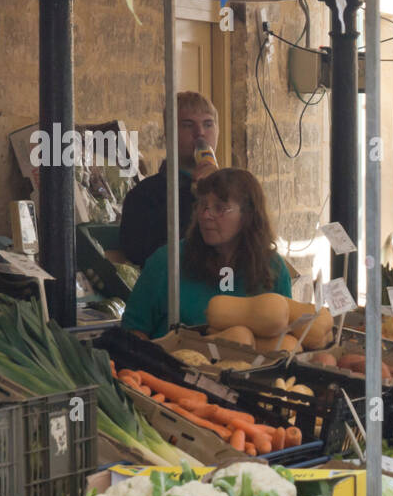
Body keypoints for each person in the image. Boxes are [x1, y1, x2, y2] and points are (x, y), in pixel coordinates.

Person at [122, 169, 291, 339]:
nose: (205, 215)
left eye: (220, 208)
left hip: (254, 365)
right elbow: (132, 331)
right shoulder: (167, 262)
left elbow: (285, 337)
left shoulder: (273, 269)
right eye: (202, 205)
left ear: (248, 215)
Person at [119, 92, 221, 267]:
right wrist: (195, 196)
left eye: (208, 124)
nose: (200, 133)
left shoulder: (233, 190)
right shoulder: (144, 196)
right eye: (188, 125)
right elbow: (143, 255)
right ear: (169, 134)